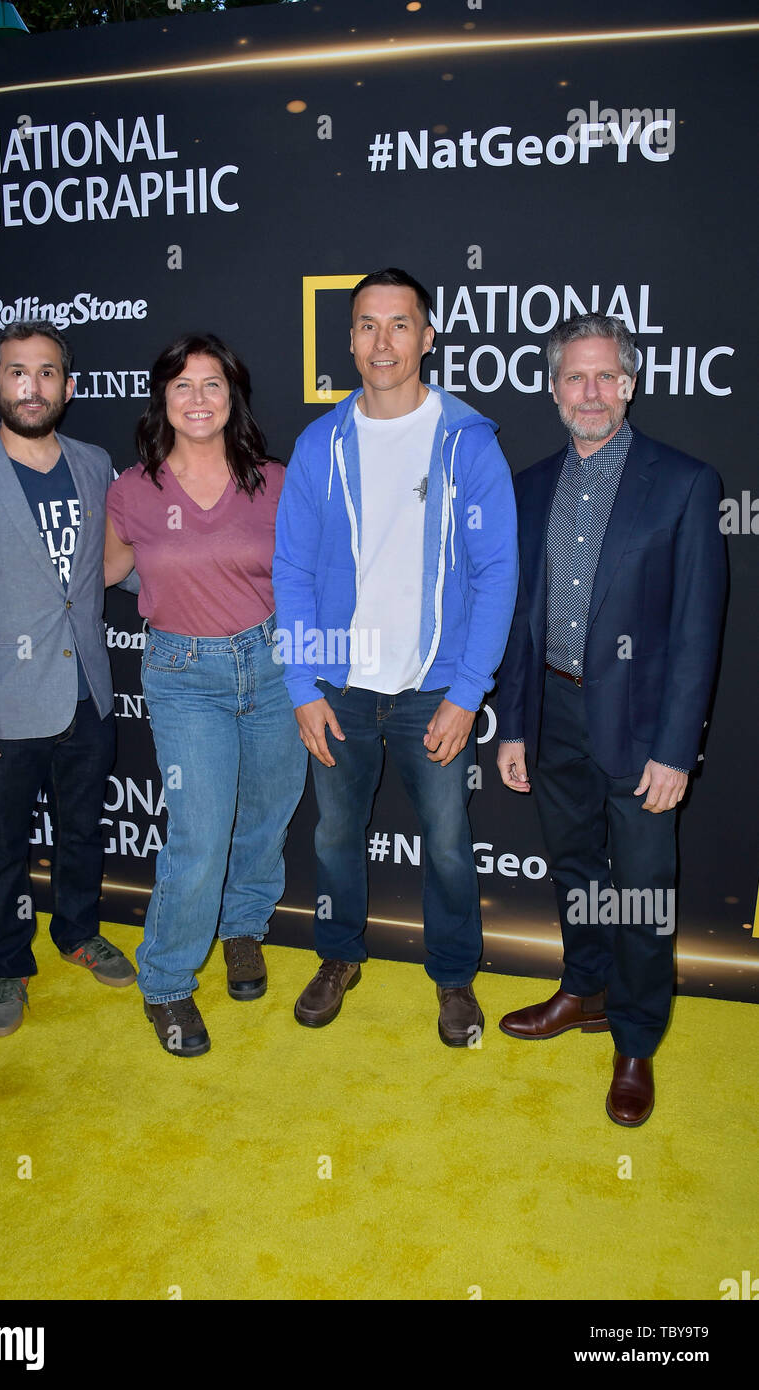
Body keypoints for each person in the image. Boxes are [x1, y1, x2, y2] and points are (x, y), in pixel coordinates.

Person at [272, 268, 518, 1042]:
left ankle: (453, 978)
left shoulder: (466, 440)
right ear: (349, 341)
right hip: (339, 686)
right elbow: (294, 571)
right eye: (368, 326)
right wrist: (302, 682)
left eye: (400, 324)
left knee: (447, 840)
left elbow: (496, 570)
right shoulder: (321, 444)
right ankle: (339, 955)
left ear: (427, 337)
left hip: (433, 691)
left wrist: (468, 689)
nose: (384, 342)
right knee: (335, 835)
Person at [495, 313, 726, 1126]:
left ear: (629, 384)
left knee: (641, 889)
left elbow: (699, 630)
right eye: (573, 377)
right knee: (575, 869)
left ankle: (634, 1038)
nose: (589, 393)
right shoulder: (527, 487)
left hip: (640, 727)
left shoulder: (686, 483)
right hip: (552, 709)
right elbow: (521, 618)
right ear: (553, 388)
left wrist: (675, 750)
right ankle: (585, 990)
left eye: (605, 377)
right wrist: (515, 726)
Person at [0, 320, 137, 1038]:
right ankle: (7, 965)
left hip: (88, 695)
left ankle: (76, 931)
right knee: (4, 849)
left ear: (67, 388)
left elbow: (113, 566)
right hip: (2, 706)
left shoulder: (96, 463)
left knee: (82, 832)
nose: (32, 386)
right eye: (18, 372)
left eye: (47, 373)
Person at [105, 333, 307, 1058]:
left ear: (233, 396)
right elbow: (110, 572)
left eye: (212, 384)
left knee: (267, 812)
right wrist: (172, 587)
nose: (198, 398)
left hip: (276, 665)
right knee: (198, 834)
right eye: (183, 385)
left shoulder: (275, 480)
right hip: (185, 676)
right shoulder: (132, 489)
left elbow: (304, 576)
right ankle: (165, 983)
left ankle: (243, 929)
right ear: (164, 397)